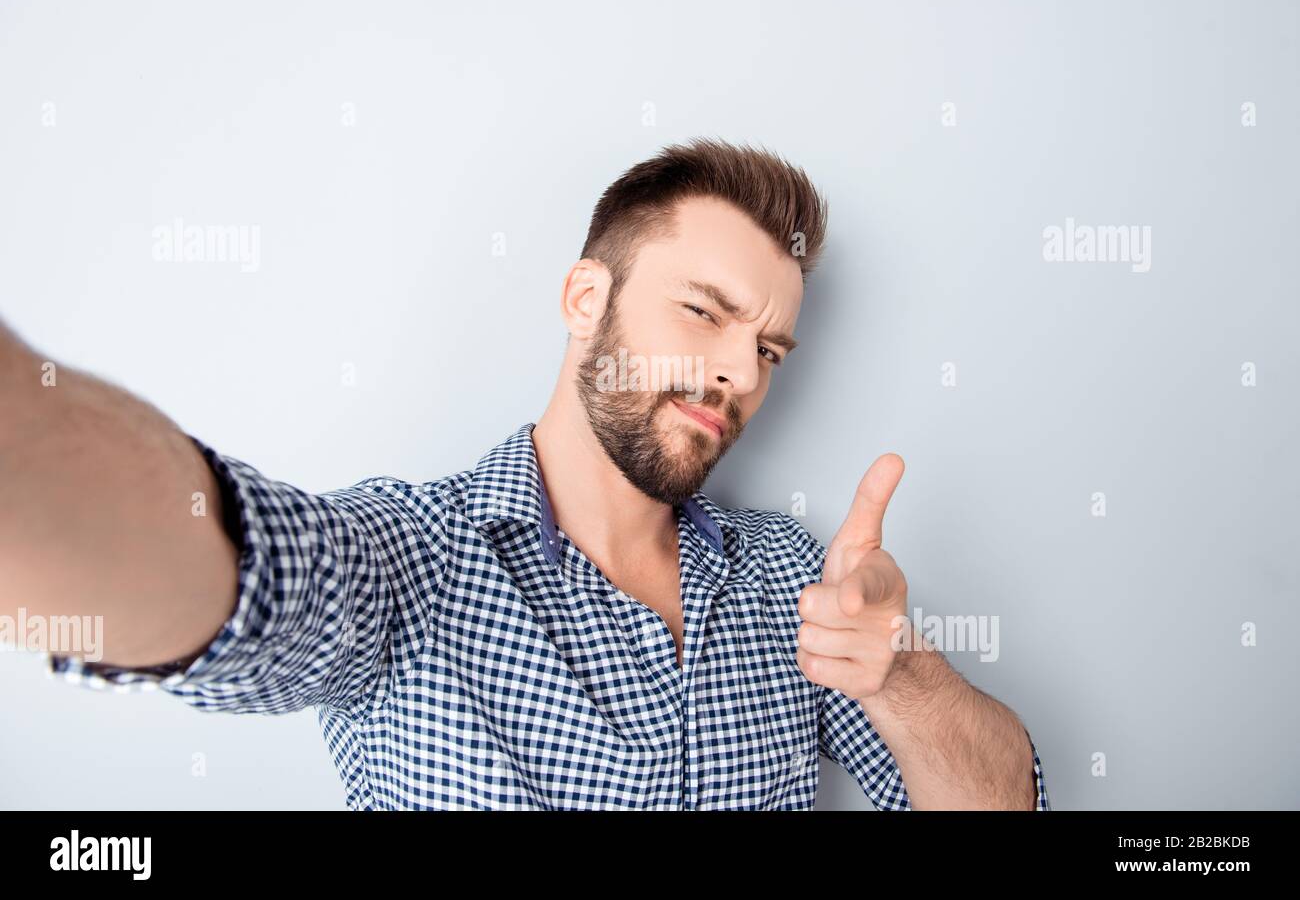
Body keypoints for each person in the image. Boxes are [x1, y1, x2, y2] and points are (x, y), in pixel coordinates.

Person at [0, 137, 1049, 810]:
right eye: (704, 311)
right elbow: (228, 578)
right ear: (585, 298)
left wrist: (902, 672)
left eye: (769, 351)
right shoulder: (408, 561)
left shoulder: (795, 584)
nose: (738, 370)